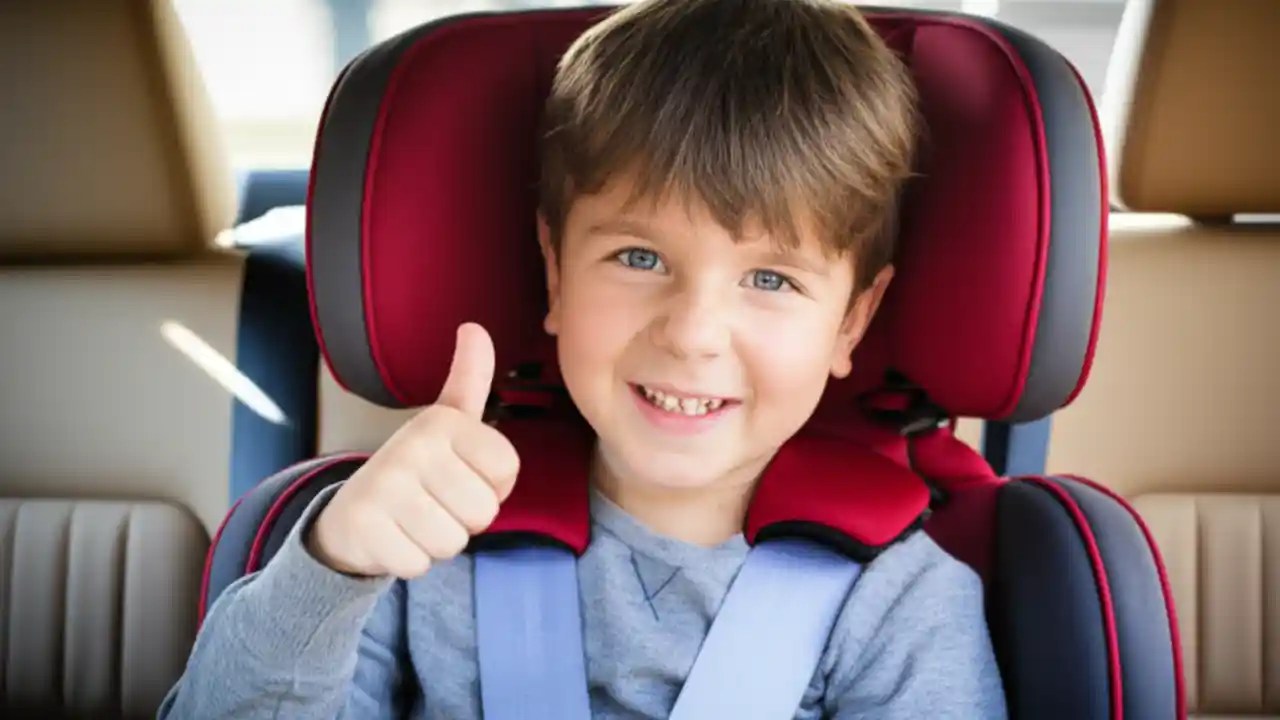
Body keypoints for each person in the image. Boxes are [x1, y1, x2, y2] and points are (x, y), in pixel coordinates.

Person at [160, 0, 1007, 717]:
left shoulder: (900, 605)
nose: (692, 332)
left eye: (771, 278)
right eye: (640, 258)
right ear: (555, 273)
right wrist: (335, 568)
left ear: (852, 322)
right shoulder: (416, 545)